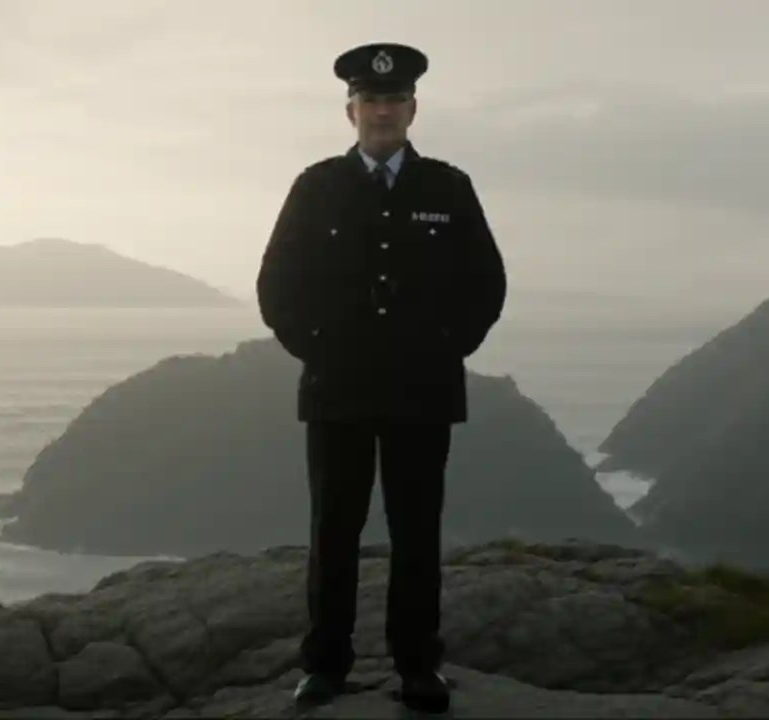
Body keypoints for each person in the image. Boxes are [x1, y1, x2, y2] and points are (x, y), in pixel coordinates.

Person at [256, 42, 507, 713]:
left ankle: (418, 666)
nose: (383, 111)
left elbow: (486, 283)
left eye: (394, 100)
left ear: (413, 108)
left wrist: (447, 348)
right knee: (332, 531)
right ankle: (325, 665)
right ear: (351, 111)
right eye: (371, 100)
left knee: (416, 531)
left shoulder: (448, 187)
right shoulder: (316, 187)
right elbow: (276, 286)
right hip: (336, 391)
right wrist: (317, 350)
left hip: (422, 393)